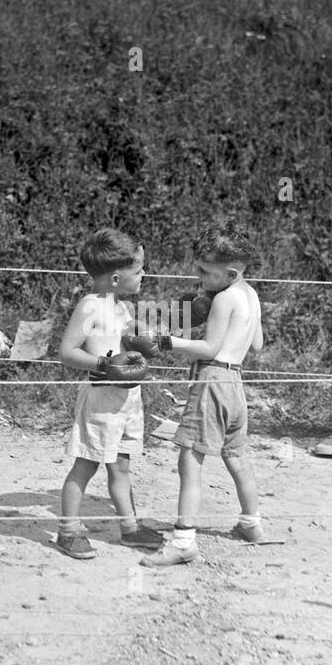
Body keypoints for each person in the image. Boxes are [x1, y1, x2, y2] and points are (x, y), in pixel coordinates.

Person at [140, 220, 265, 567]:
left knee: (189, 459)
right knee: (237, 457)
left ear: (229, 272)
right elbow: (256, 345)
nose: (197, 275)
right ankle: (251, 523)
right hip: (236, 384)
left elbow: (209, 348)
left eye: (204, 271)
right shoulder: (250, 294)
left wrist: (165, 341)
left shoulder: (224, 298)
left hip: (211, 381)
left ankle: (183, 541)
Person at [55, 229, 163, 560]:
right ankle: (68, 531)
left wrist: (145, 343)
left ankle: (130, 528)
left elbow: (127, 345)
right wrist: (104, 363)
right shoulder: (89, 307)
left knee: (121, 467)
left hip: (128, 398)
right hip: (101, 398)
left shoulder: (124, 308)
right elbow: (67, 351)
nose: (143, 275)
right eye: (138, 270)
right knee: (86, 465)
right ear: (116, 277)